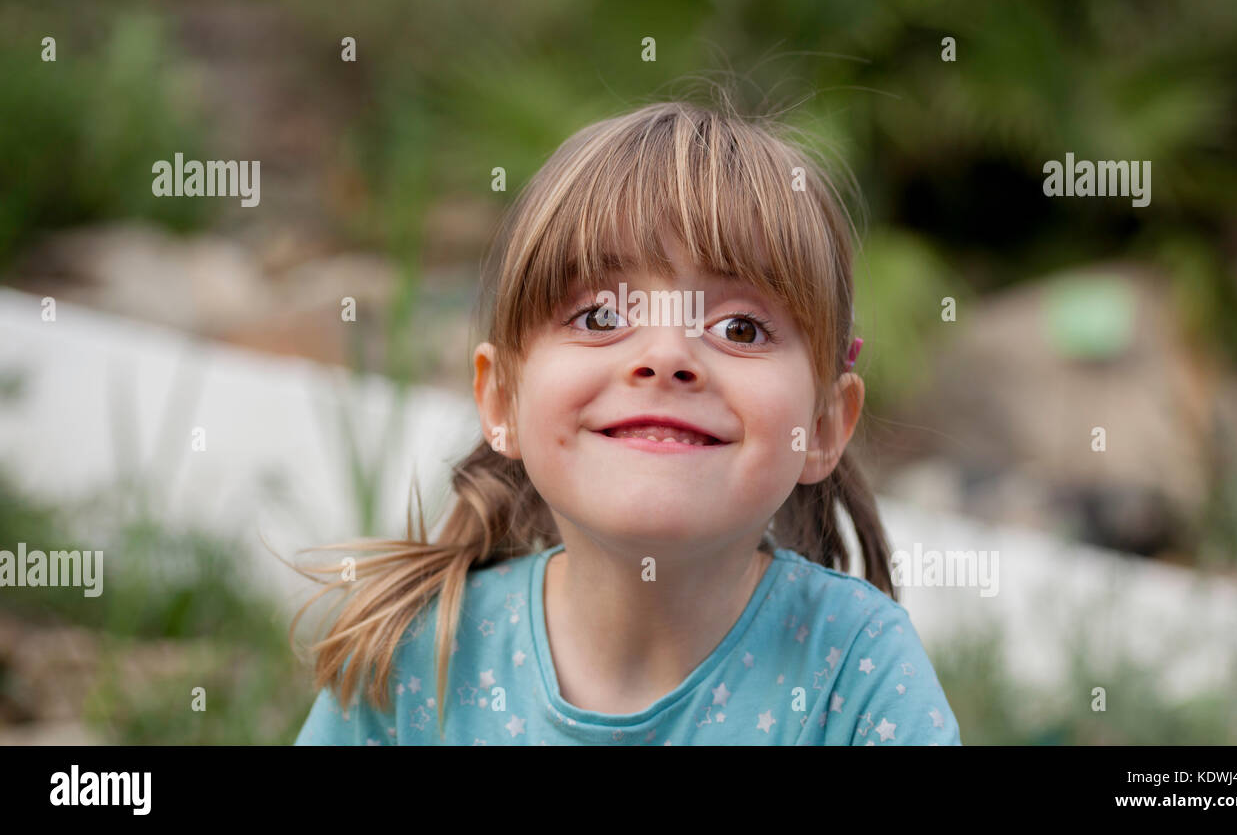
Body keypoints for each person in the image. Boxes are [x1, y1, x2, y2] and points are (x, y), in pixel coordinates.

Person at [291, 97, 961, 745]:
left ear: (823, 427)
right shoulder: (417, 662)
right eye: (600, 318)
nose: (666, 357)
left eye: (739, 327)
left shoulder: (857, 668)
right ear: (501, 401)